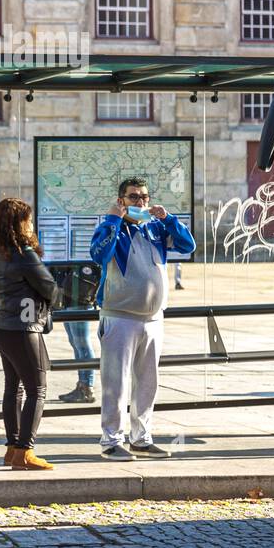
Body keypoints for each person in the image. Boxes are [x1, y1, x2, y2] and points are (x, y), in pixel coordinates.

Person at [90, 176, 196, 459]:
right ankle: (111, 441)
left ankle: (141, 437)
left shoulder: (156, 229)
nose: (140, 202)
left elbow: (188, 246)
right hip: (119, 316)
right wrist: (114, 219)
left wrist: (170, 219)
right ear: (121, 200)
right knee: (116, 383)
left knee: (147, 382)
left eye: (144, 197)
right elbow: (99, 254)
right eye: (134, 197)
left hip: (152, 318)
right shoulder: (112, 228)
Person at [0, 197, 58, 470]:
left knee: (14, 387)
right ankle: (25, 452)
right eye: (29, 220)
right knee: (37, 388)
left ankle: (12, 448)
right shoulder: (24, 254)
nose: (32, 224)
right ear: (19, 223)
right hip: (23, 327)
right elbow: (50, 288)